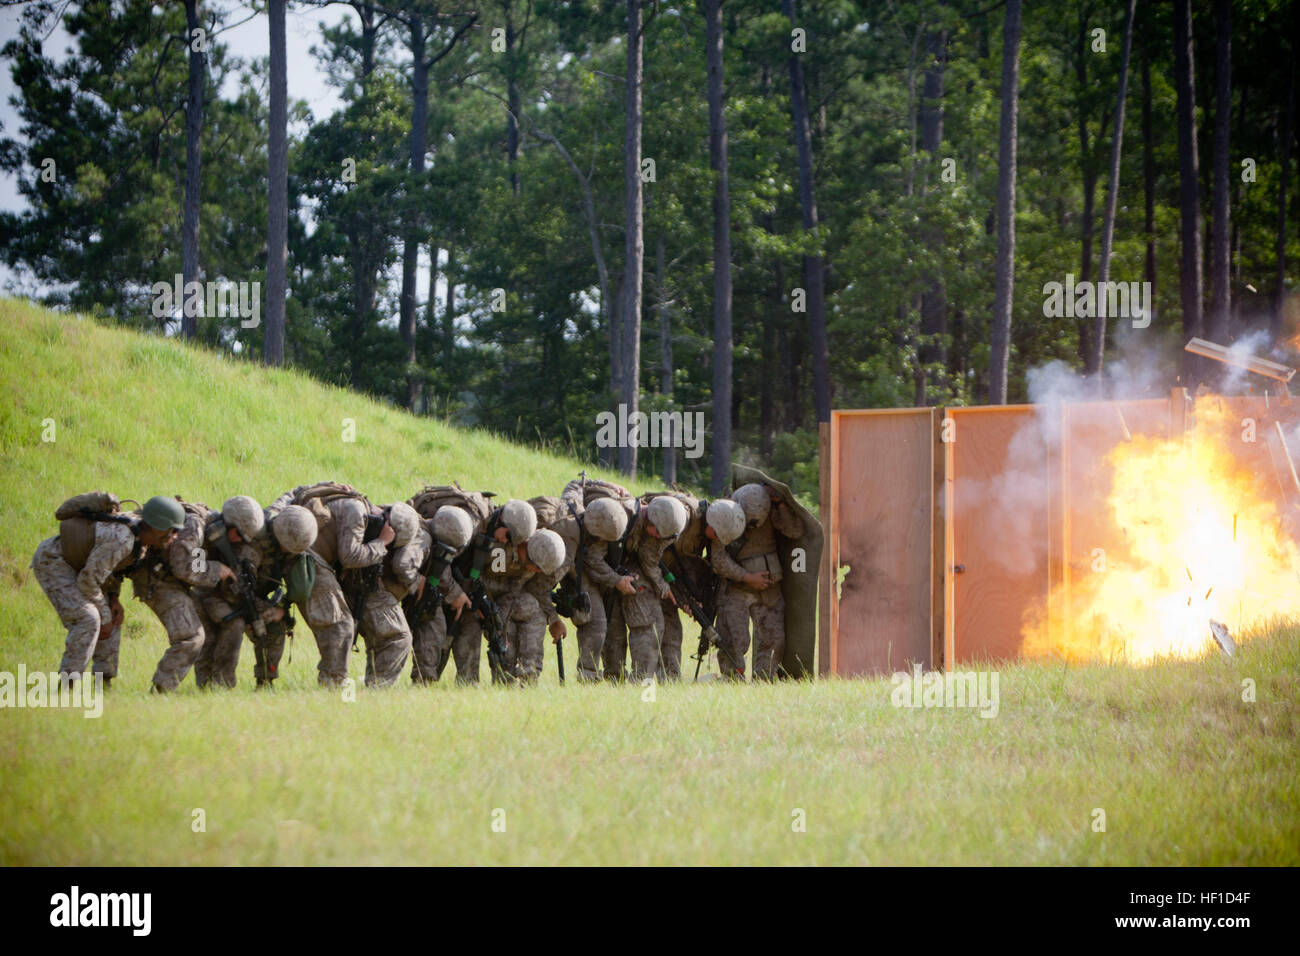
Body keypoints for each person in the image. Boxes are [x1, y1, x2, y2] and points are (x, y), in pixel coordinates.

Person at [31, 493, 193, 688]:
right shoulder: (122, 540)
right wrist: (105, 616)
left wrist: (114, 599)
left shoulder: (139, 540)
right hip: (55, 563)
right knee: (88, 618)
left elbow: (113, 570)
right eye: (173, 530)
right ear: (158, 527)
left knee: (113, 618)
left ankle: (103, 685)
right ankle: (67, 686)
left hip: (83, 569)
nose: (175, 536)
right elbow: (88, 581)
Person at [710, 482, 805, 680]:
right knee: (735, 640)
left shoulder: (772, 510)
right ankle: (732, 681)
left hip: (768, 589)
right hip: (736, 589)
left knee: (772, 639)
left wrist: (780, 505)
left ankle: (764, 681)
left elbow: (795, 531)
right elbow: (718, 560)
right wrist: (747, 577)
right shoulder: (726, 514)